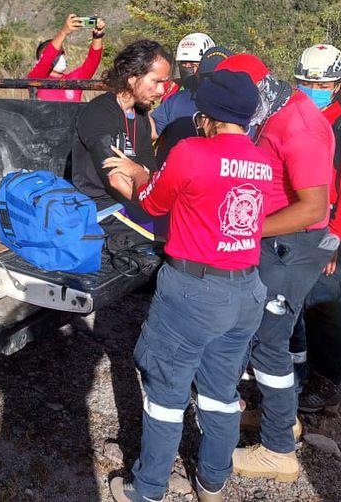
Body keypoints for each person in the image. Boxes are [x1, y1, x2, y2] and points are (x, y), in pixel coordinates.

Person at [103, 70, 271, 502]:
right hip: (246, 290)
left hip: (193, 290)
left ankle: (148, 488)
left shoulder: (191, 151)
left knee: (165, 391)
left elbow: (153, 202)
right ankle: (213, 481)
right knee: (220, 392)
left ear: (207, 117)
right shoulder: (263, 159)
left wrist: (131, 178)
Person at [214, 54, 335, 482]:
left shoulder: (298, 127)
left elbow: (314, 208)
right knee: (263, 337)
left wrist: (248, 229)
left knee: (269, 342)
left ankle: (278, 449)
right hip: (279, 241)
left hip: (291, 246)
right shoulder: (274, 110)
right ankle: (279, 416)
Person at [289, 44, 341, 412]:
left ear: (337, 85)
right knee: (293, 301)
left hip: (331, 226)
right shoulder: (292, 117)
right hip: (295, 222)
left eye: (322, 84)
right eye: (306, 83)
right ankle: (294, 372)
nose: (313, 89)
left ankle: (327, 381)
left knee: (325, 302)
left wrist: (335, 235)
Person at [71, 39, 171, 247]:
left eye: (164, 83)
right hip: (101, 208)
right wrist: (155, 207)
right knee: (171, 239)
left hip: (130, 203)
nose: (162, 90)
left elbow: (150, 170)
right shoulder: (100, 112)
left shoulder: (140, 115)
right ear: (132, 77)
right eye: (156, 81)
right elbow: (117, 179)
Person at [153, 45, 233, 151]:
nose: (213, 82)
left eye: (221, 77)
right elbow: (150, 131)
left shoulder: (241, 109)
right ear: (198, 74)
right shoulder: (177, 101)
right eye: (207, 76)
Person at [27, 13, 106, 101]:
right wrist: (63, 32)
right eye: (57, 54)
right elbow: (47, 58)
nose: (61, 57)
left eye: (62, 53)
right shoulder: (36, 78)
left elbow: (92, 62)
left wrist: (97, 36)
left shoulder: (73, 80)